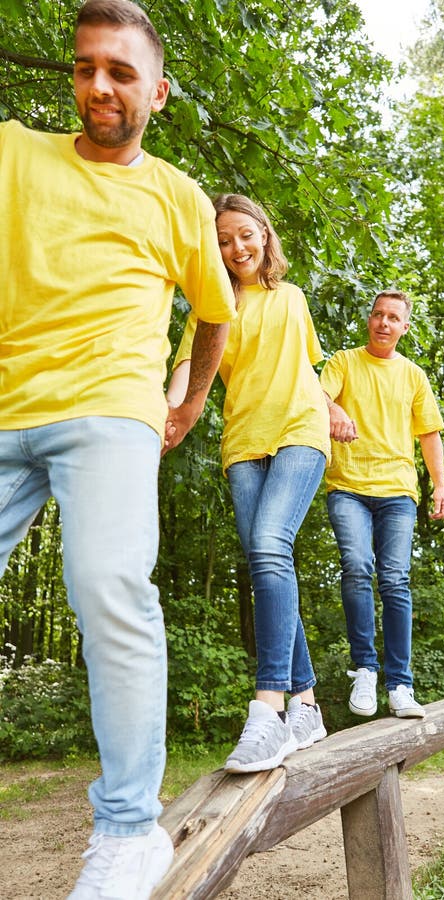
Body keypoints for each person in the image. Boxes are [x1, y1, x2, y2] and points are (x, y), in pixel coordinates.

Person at [0, 1, 236, 897]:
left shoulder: (177, 195)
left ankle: (131, 830)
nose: (99, 84)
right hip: (4, 406)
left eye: (122, 71)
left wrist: (187, 402)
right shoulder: (14, 152)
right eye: (87, 66)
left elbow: (215, 312)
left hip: (109, 408)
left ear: (160, 92)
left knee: (106, 584)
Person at [167, 193, 329, 773]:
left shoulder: (292, 297)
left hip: (300, 432)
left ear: (264, 233)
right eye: (224, 240)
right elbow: (187, 367)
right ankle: (307, 703)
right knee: (268, 564)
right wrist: (171, 412)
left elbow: (306, 370)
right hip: (242, 442)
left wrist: (332, 409)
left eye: (245, 234)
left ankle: (269, 712)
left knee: (268, 548)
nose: (237, 247)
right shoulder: (211, 310)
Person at [319, 289, 444, 720]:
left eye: (393, 317)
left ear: (404, 327)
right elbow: (317, 396)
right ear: (369, 320)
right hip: (348, 486)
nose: (384, 323)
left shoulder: (413, 375)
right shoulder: (343, 362)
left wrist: (439, 487)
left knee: (394, 580)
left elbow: (429, 433)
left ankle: (400, 684)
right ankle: (365, 670)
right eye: (378, 315)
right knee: (357, 567)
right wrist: (333, 409)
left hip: (397, 491)